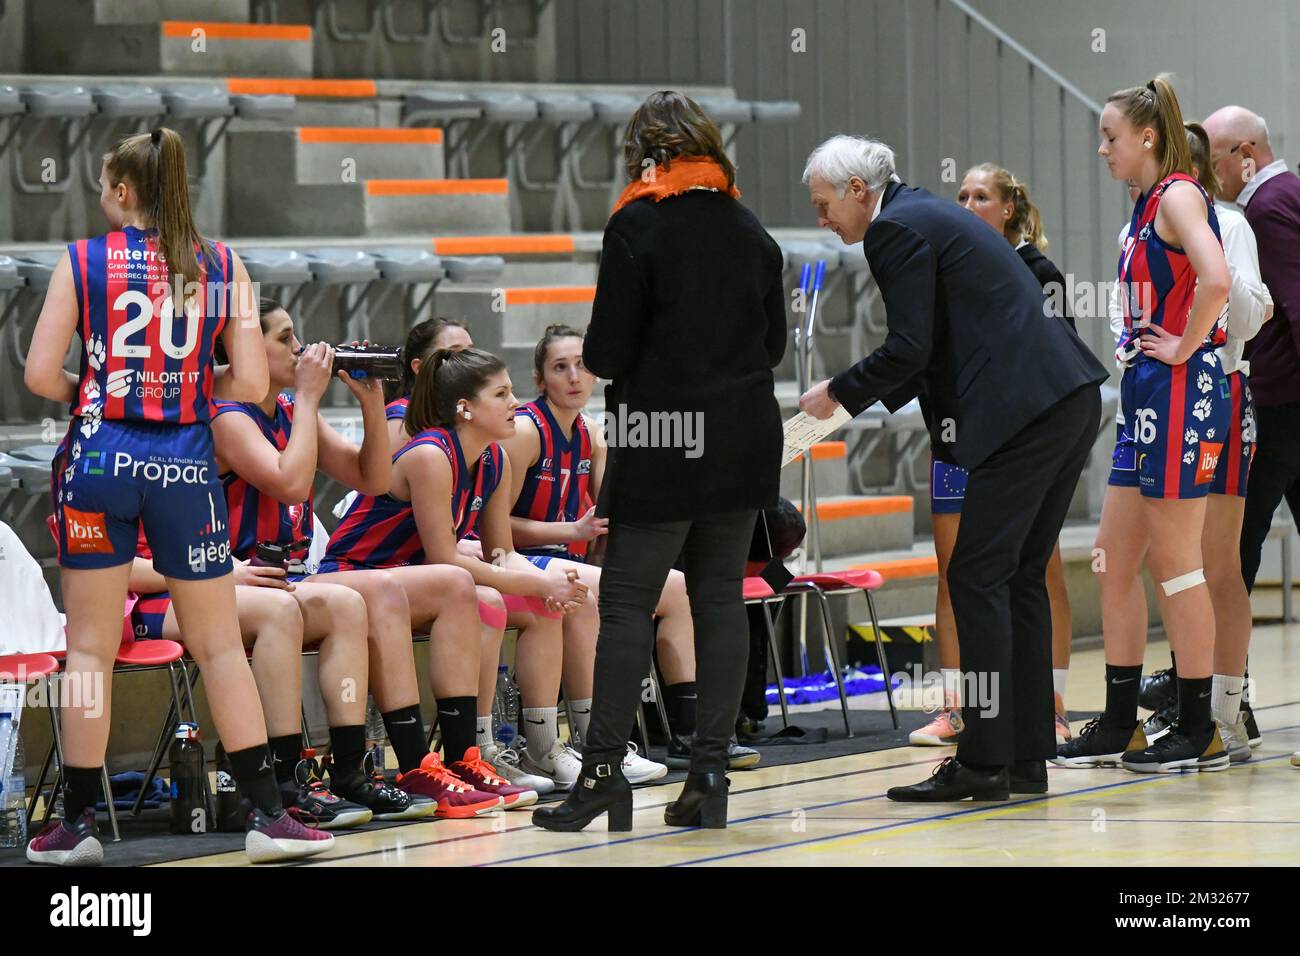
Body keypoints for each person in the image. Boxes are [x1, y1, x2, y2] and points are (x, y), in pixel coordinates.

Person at [22, 128, 330, 864]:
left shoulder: (85, 260)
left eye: (104, 188)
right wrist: (187, 390)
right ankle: (267, 816)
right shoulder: (222, 265)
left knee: (91, 651)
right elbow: (252, 387)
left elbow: (39, 375)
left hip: (101, 457)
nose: (102, 200)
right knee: (221, 646)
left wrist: (98, 396)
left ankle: (79, 826)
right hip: (186, 463)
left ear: (124, 192)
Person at [798, 133, 1106, 802]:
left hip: (1029, 412)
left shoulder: (895, 229)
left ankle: (983, 760)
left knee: (975, 575)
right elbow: (936, 346)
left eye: (825, 205)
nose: (822, 220)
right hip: (1065, 399)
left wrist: (837, 395)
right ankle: (1024, 755)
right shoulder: (925, 215)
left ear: (858, 191)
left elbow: (909, 348)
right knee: (1017, 576)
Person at [533, 90, 786, 832]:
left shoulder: (637, 223)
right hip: (743, 435)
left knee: (627, 604)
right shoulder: (750, 228)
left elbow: (606, 352)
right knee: (717, 600)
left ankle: (603, 776)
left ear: (646, 154)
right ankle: (709, 774)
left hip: (663, 435)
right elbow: (770, 348)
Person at [211, 301, 525, 815]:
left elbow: (371, 479)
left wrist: (370, 403)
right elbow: (290, 481)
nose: (301, 349)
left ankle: (396, 765)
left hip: (284, 577)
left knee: (450, 586)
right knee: (385, 590)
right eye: (285, 339)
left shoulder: (288, 410)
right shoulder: (228, 417)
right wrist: (311, 398)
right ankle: (377, 766)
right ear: (244, 349)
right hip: (236, 579)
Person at [1054, 76, 1233, 775]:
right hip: (1148, 396)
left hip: (1183, 390)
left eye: (1110, 138)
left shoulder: (1181, 195)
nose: (1102, 149)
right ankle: (1122, 722)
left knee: (1178, 565)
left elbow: (1216, 280)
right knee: (1111, 558)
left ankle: (1200, 727)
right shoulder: (1144, 207)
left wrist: (1184, 347)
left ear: (1147, 138)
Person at [321, 347, 591, 794]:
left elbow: (500, 551)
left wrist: (545, 586)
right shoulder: (430, 455)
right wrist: (539, 579)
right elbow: (444, 559)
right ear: (465, 408)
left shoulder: (494, 459)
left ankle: (484, 753)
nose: (515, 404)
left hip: (412, 580)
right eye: (501, 394)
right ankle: (436, 760)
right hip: (351, 572)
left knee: (517, 602)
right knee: (461, 583)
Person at [1115, 126, 1272, 759]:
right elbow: (1129, 311)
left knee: (1216, 565)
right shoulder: (1137, 224)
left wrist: (1202, 310)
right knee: (1154, 559)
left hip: (1216, 393)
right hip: (1152, 397)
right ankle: (1181, 707)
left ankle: (1224, 714)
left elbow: (1253, 310)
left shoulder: (1226, 220)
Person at [911, 164, 1077, 749]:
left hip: (1020, 440)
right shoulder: (942, 271)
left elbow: (1057, 358)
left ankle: (1049, 705)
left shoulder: (1038, 272)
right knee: (953, 572)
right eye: (960, 195)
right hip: (956, 441)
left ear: (1008, 209)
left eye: (982, 196)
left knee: (1037, 569)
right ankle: (960, 707)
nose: (968, 203)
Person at [500, 324, 709, 777]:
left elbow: (611, 520)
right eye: (560, 367)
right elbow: (496, 528)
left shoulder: (594, 433)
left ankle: (690, 734)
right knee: (592, 593)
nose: (574, 376)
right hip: (516, 558)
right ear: (540, 380)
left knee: (676, 588)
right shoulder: (525, 433)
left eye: (582, 366)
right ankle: (596, 743)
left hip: (569, 559)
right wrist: (571, 527)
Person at [1202, 105, 1300, 769]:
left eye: (1214, 162)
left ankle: (1221, 710)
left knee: (1233, 550)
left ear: (1244, 152)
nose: (1211, 178)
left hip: (1282, 404)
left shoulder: (1264, 207)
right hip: (1286, 402)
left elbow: (1290, 301)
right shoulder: (1291, 193)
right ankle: (1229, 708)